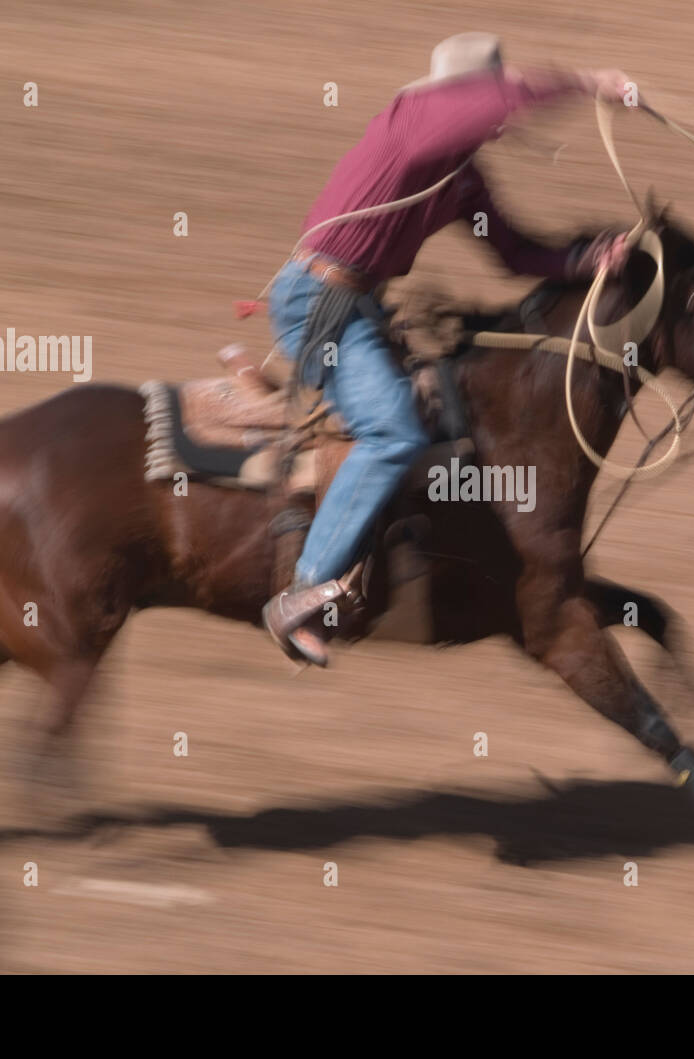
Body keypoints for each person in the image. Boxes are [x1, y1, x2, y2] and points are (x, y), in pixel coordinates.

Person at [264, 31, 633, 666]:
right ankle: (302, 591)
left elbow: (513, 252)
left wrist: (586, 258)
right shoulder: (411, 124)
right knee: (393, 434)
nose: (494, 122)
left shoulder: (461, 182)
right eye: (486, 104)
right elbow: (491, 105)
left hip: (361, 308)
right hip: (316, 301)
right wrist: (588, 82)